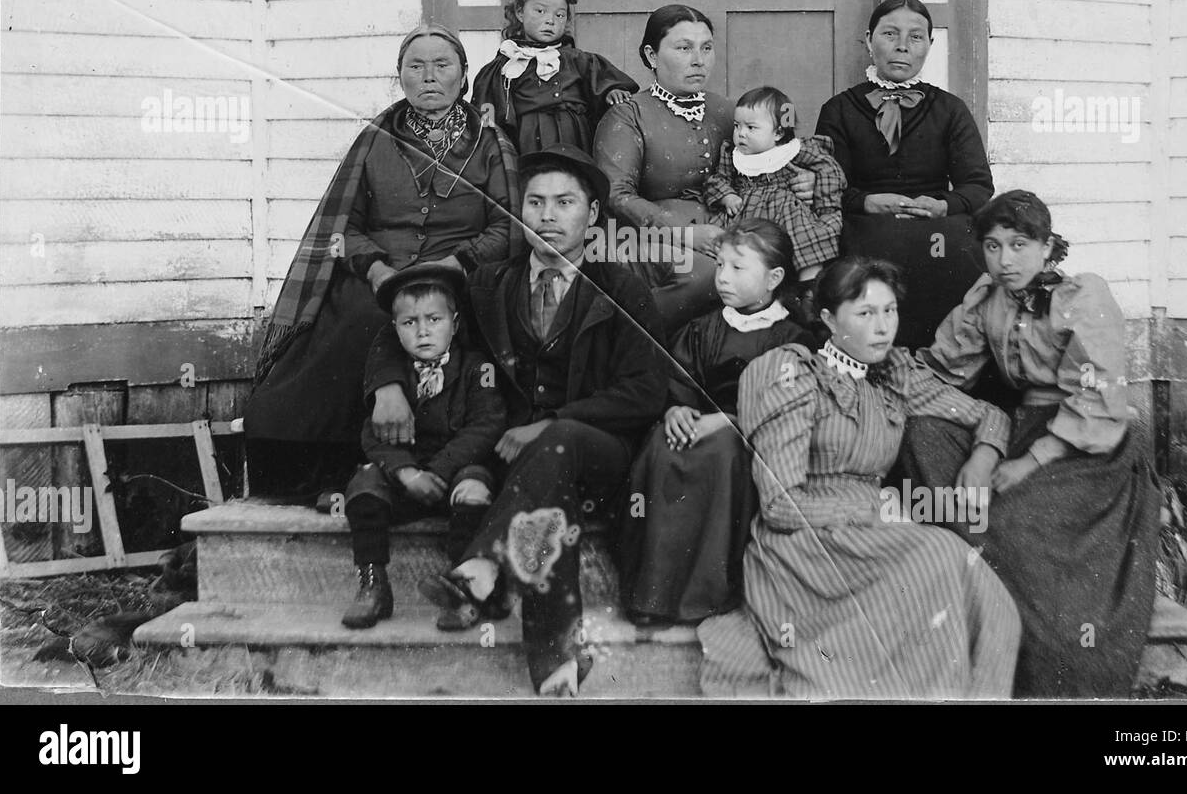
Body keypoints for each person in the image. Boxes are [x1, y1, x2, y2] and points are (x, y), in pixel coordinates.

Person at [368, 144, 667, 696]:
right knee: (547, 495)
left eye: (564, 202)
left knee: (560, 442)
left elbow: (648, 390)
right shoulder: (489, 285)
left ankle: (486, 563)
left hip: (598, 455)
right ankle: (558, 663)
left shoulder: (623, 289)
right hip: (515, 466)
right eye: (534, 202)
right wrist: (387, 382)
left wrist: (555, 422)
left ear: (593, 215)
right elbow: (409, 312)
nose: (547, 216)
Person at [697, 256, 1021, 699]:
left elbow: (988, 415)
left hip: (872, 538)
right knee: (940, 556)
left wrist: (984, 456)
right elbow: (780, 505)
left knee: (988, 598)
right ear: (829, 319)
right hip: (805, 549)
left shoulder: (891, 377)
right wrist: (874, 507)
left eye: (889, 311)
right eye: (866, 314)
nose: (883, 327)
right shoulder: (793, 375)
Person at [901, 190, 1161, 698]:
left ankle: (1047, 660)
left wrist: (1029, 461)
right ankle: (969, 577)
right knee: (923, 435)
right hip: (1022, 426)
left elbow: (1096, 396)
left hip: (1088, 442)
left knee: (1014, 513)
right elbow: (941, 370)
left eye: (1019, 245)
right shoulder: (987, 297)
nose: (1005, 260)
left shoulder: (1083, 296)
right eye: (993, 247)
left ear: (1047, 246)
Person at [244, 24, 518, 498]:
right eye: (416, 66)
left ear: (464, 75)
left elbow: (506, 227)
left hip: (461, 278)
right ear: (400, 77)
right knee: (352, 324)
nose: (429, 77)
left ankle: (451, 466)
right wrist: (376, 269)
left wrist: (456, 266)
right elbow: (342, 228)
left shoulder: (490, 144)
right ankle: (338, 476)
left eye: (442, 65)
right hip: (380, 275)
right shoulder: (374, 140)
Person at [618, 219, 814, 626]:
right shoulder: (704, 328)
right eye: (720, 265)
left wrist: (730, 422)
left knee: (721, 453)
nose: (722, 277)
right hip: (698, 422)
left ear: (774, 278)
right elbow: (679, 379)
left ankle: (704, 595)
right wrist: (676, 409)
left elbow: (789, 404)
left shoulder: (791, 337)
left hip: (751, 437)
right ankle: (653, 594)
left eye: (738, 268)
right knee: (662, 445)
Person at [594, 4, 817, 330]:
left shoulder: (727, 111)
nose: (699, 60)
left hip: (725, 228)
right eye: (684, 48)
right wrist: (686, 234)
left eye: (706, 48)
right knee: (709, 276)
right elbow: (616, 196)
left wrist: (802, 180)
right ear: (652, 55)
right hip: (643, 237)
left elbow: (764, 163)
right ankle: (642, 351)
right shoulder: (628, 116)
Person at [816, 0, 994, 349]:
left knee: (958, 253)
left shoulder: (949, 109)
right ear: (868, 41)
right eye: (889, 35)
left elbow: (977, 185)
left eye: (915, 37)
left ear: (930, 44)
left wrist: (942, 205)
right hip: (865, 223)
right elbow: (828, 187)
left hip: (937, 225)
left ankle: (944, 364)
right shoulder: (840, 109)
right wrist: (869, 203)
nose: (902, 47)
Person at [341, 263, 506, 631]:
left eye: (434, 319)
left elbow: (486, 425)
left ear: (456, 323)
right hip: (408, 476)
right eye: (409, 323)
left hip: (458, 469)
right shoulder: (391, 374)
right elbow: (373, 431)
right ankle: (373, 585)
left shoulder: (478, 368)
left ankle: (464, 589)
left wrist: (438, 470)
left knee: (476, 487)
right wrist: (406, 472)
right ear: (395, 328)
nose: (423, 332)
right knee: (365, 483)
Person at [471, 0, 639, 154]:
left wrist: (611, 91)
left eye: (559, 15)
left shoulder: (577, 60)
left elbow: (602, 80)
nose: (550, 20)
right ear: (520, 13)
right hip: (526, 143)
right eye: (540, 11)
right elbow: (487, 109)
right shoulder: (506, 66)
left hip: (575, 139)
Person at [703, 86, 845, 286]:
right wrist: (727, 196)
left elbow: (829, 168)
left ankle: (809, 284)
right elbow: (718, 180)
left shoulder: (794, 150)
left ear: (778, 133)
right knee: (737, 247)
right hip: (747, 211)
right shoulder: (732, 155)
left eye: (751, 127)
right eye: (737, 126)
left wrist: (825, 204)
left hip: (787, 212)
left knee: (804, 235)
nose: (741, 134)